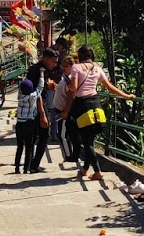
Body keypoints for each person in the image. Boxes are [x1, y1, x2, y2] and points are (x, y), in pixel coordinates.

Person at [62, 45, 136, 182]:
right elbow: (109, 87)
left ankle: (97, 171)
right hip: (96, 106)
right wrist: (126, 96)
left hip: (82, 107)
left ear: (80, 56)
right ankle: (85, 168)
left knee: (86, 141)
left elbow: (74, 88)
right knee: (89, 139)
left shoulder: (76, 68)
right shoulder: (97, 69)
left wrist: (67, 85)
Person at [25, 49, 62, 166]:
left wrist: (48, 85)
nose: (54, 64)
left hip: (33, 106)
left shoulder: (41, 70)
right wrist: (42, 114)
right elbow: (37, 94)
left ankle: (30, 163)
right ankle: (33, 164)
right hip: (38, 106)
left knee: (34, 136)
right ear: (45, 59)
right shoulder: (39, 71)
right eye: (53, 62)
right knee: (44, 135)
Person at [13, 77, 48, 174]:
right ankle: (26, 168)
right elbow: (40, 87)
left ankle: (16, 168)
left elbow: (23, 86)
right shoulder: (33, 97)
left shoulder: (19, 96)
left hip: (19, 124)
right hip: (29, 124)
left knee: (20, 147)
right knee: (29, 147)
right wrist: (41, 75)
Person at [52, 51, 77, 162]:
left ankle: (68, 156)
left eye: (65, 66)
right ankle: (68, 155)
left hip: (63, 111)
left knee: (63, 135)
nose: (63, 69)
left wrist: (66, 111)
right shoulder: (65, 78)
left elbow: (70, 96)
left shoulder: (70, 79)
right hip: (59, 109)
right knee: (62, 134)